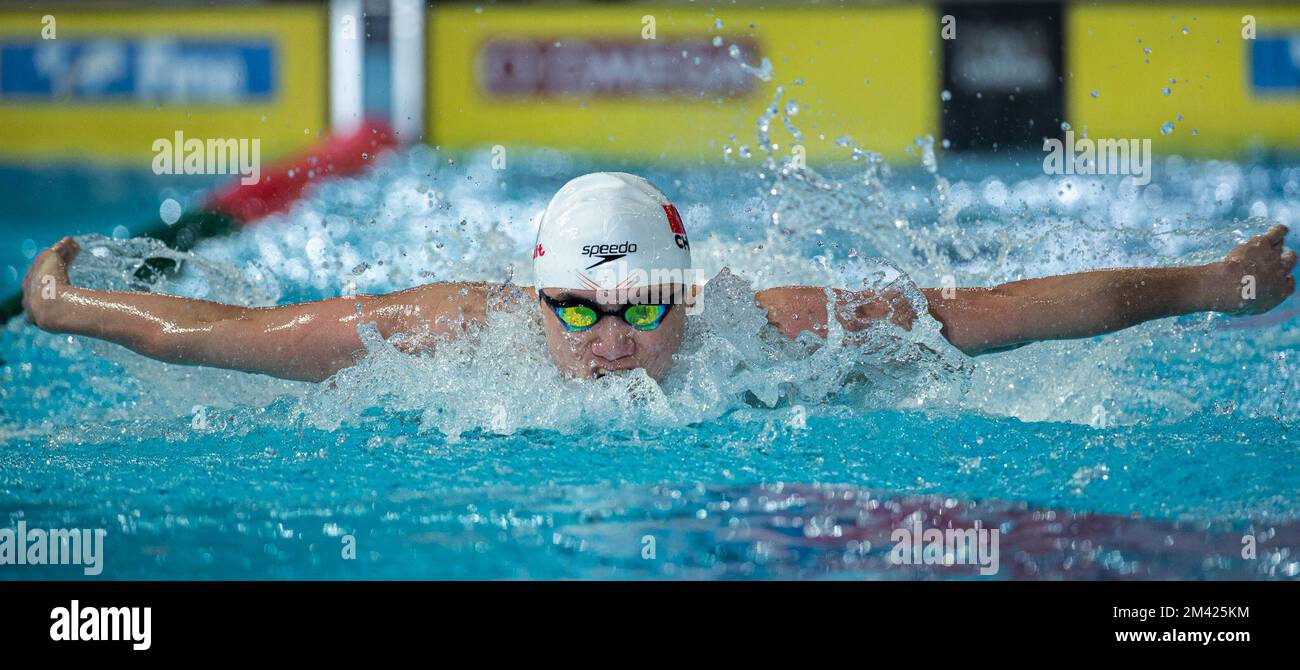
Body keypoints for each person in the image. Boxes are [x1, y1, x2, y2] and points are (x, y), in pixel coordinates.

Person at [20, 171, 1297, 384]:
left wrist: (1206, 284)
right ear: (534, 300)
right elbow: (226, 332)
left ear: (689, 297)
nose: (608, 340)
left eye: (642, 308)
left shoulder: (774, 329)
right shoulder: (453, 340)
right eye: (576, 307)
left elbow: (987, 319)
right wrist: (68, 307)